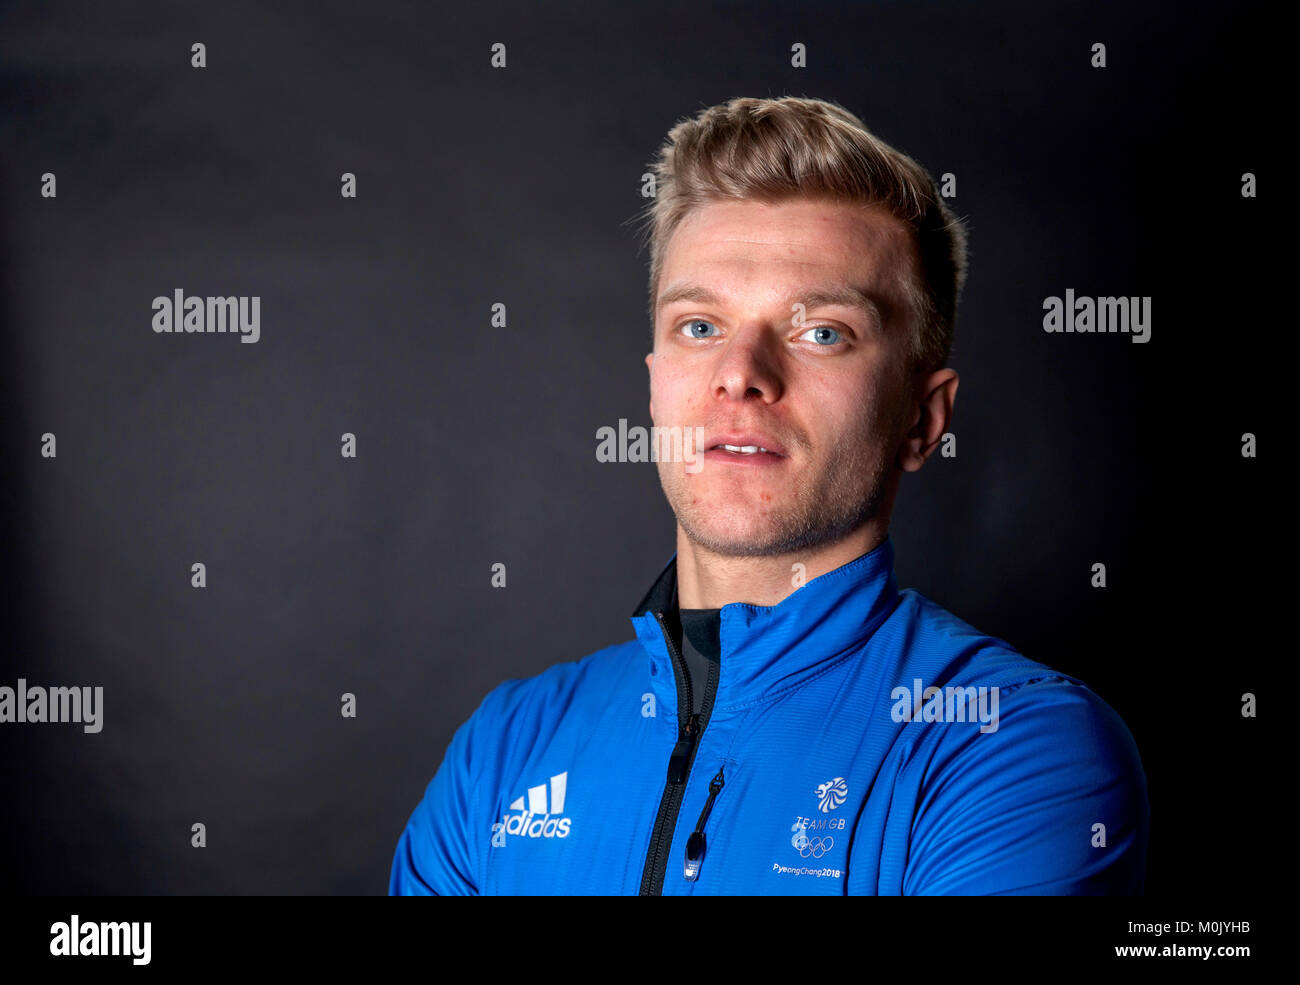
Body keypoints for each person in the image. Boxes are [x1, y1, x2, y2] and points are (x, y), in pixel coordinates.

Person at [389, 96, 1149, 895]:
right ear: (653, 388)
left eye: (822, 331)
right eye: (700, 326)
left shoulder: (1016, 747)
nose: (740, 372)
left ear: (922, 420)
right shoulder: (506, 748)